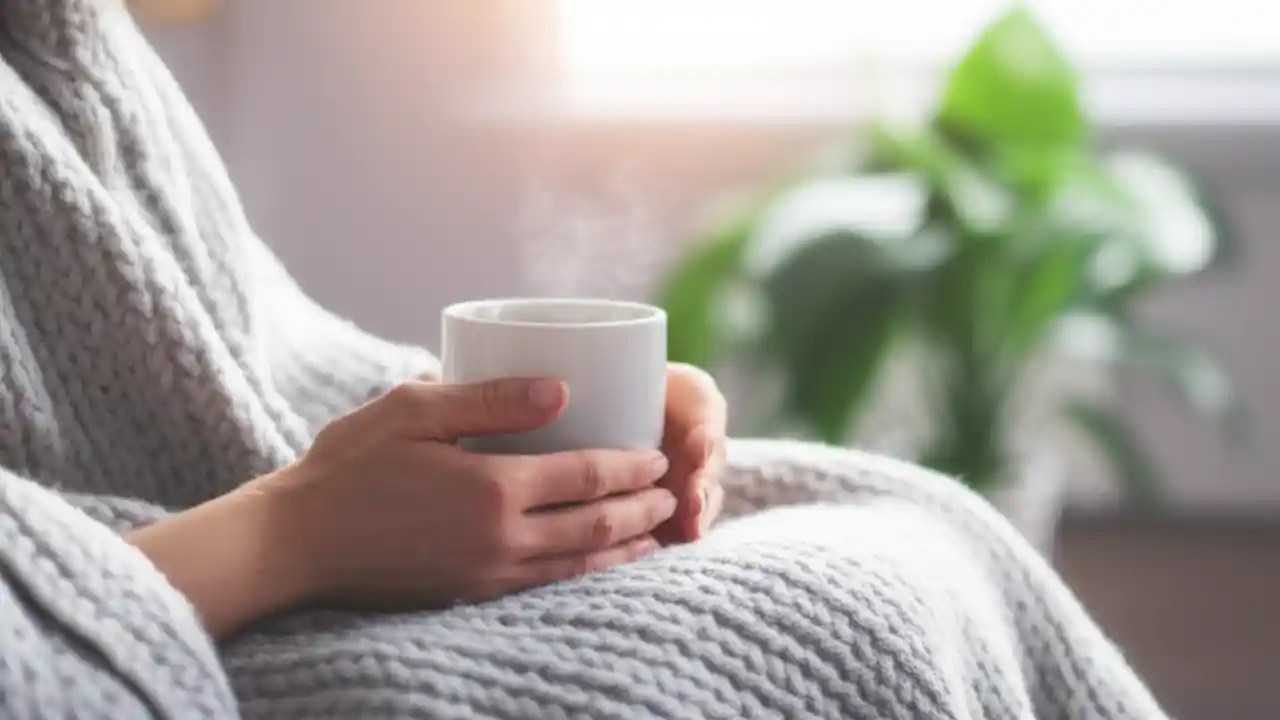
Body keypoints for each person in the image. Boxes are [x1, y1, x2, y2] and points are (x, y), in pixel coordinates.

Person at [0, 1, 1168, 718]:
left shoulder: (69, 34)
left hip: (243, 551)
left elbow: (247, 359)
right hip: (139, 616)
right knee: (849, 604)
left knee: (915, 516)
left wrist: (528, 449)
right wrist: (304, 530)